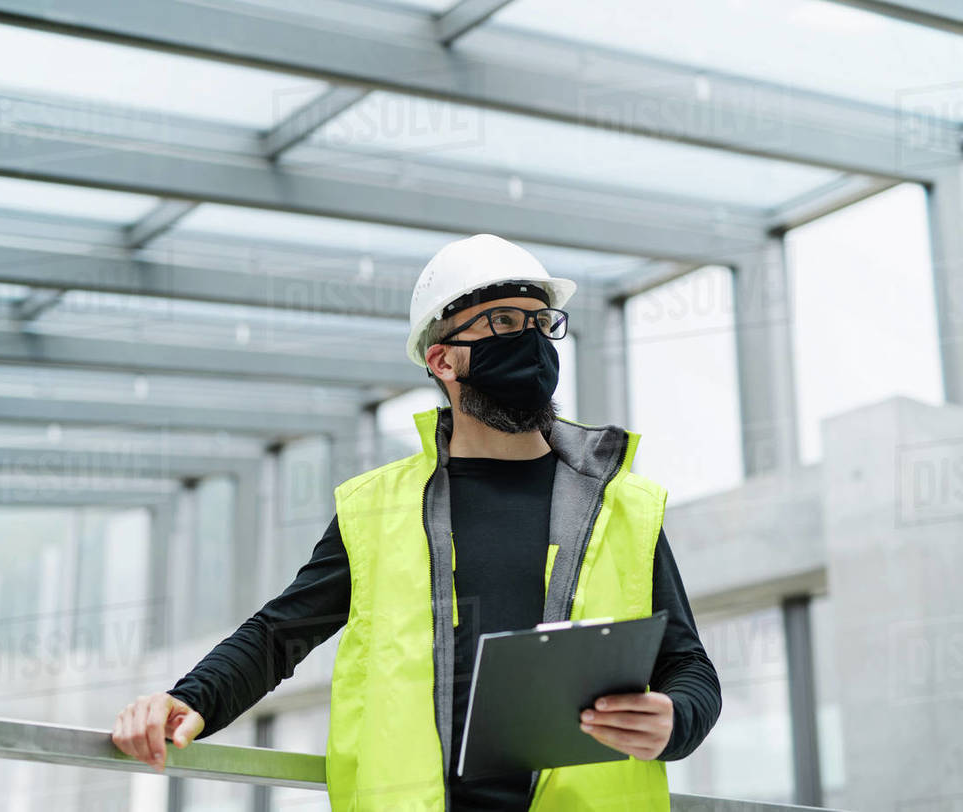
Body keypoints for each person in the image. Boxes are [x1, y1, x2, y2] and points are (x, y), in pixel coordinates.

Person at [112, 233, 721, 810]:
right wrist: (187, 699)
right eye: (505, 322)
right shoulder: (378, 509)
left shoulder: (621, 504)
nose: (532, 341)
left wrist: (673, 719)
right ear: (443, 359)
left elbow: (689, 669)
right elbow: (279, 635)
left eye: (542, 323)